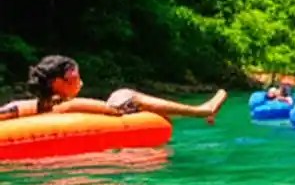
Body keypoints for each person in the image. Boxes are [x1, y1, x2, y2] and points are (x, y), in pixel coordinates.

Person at [0, 55, 227, 124]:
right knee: (123, 95)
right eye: (76, 77)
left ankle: (203, 111)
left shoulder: (31, 106)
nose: (81, 82)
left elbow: (7, 111)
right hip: (110, 112)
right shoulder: (69, 105)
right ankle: (202, 111)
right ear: (58, 82)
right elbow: (112, 111)